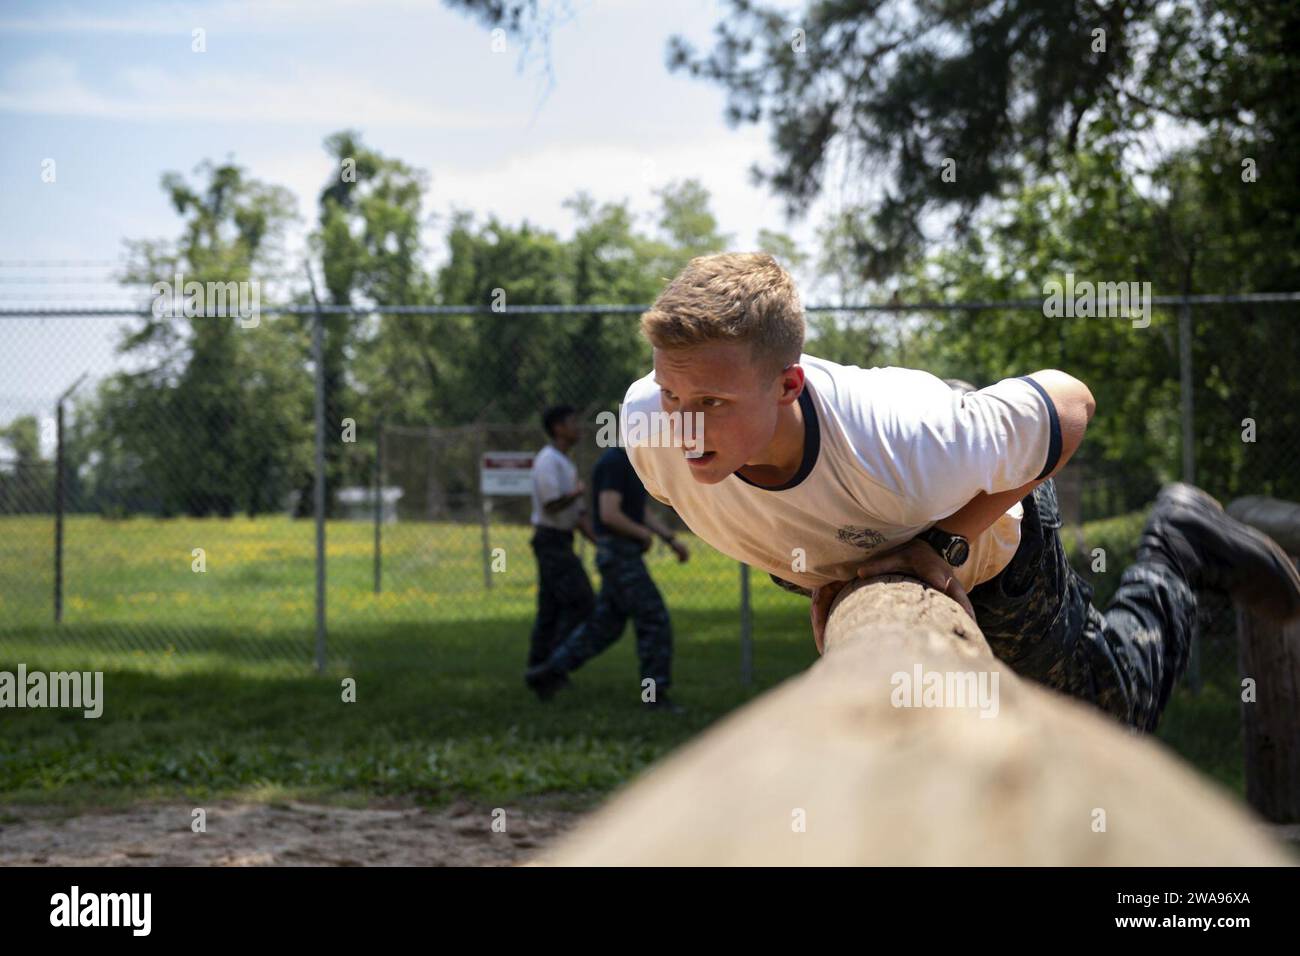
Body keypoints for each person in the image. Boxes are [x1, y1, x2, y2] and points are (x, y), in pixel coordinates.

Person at [614, 251, 1300, 733]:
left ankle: (1176, 546)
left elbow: (1070, 403)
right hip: (889, 536)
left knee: (1103, 718)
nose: (687, 424)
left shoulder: (903, 438)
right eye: (672, 393)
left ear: (789, 385)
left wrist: (944, 541)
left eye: (711, 401)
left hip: (991, 535)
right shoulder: (651, 431)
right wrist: (828, 579)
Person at [526, 445, 690, 711]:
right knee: (654, 620)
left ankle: (547, 673)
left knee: (605, 627)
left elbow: (638, 511)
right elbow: (609, 513)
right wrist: (642, 534)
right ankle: (654, 696)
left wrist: (669, 539)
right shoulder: (614, 462)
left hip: (620, 555)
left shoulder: (633, 464)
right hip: (619, 556)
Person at [526, 405, 596, 680]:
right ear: (557, 428)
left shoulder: (564, 462)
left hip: (560, 539)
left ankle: (539, 667)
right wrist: (576, 492)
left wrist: (599, 541)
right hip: (550, 540)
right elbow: (552, 504)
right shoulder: (548, 460)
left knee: (551, 609)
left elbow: (576, 514)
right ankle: (555, 663)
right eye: (572, 422)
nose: (578, 427)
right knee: (582, 602)